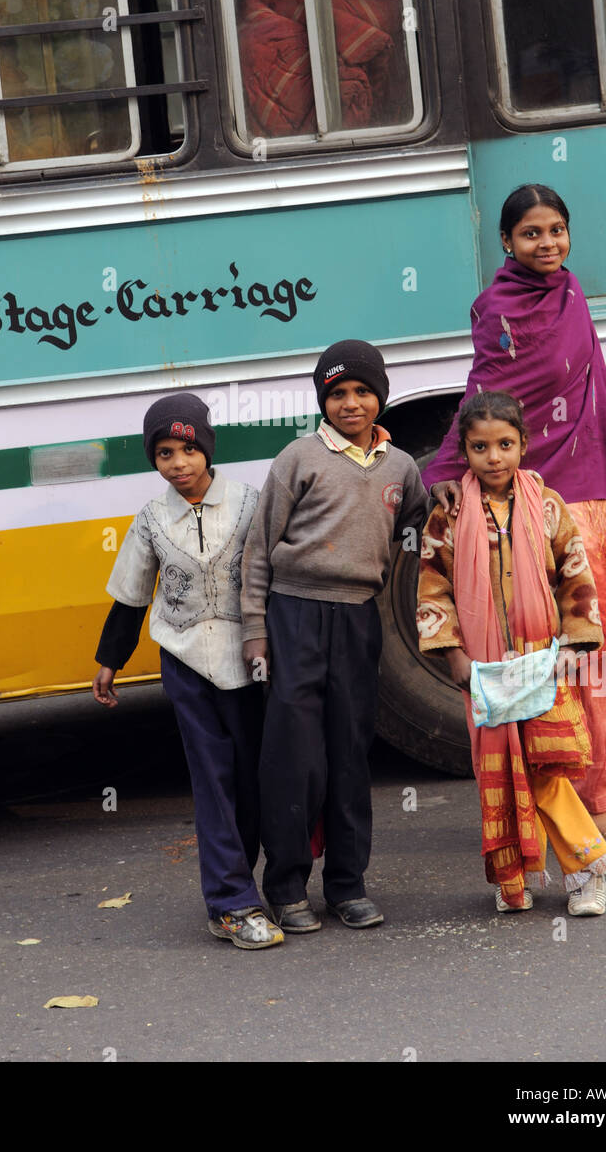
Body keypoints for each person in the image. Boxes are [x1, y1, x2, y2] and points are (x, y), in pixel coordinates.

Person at [423, 184, 606, 849]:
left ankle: (604, 786)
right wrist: (449, 470)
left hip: (584, 494)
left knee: (603, 653)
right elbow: (485, 396)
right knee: (569, 655)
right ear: (505, 242)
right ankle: (589, 800)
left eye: (556, 230)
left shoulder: (571, 292)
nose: (546, 243)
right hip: (537, 507)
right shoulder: (495, 309)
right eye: (531, 233)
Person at [241, 340, 430, 932]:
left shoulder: (401, 468)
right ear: (323, 400)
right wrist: (255, 630)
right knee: (295, 756)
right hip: (293, 614)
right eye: (338, 393)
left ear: (380, 398)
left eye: (362, 392)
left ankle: (347, 885)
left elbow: (416, 525)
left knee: (350, 751)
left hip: (356, 618)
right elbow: (257, 549)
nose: (351, 403)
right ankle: (287, 885)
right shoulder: (298, 458)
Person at [92, 393, 283, 951]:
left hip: (249, 663)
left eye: (188, 449)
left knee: (251, 781)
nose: (178, 463)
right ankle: (230, 902)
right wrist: (110, 661)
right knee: (212, 781)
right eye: (164, 453)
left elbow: (277, 579)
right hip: (184, 664)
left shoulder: (250, 504)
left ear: (207, 447)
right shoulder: (151, 519)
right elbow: (130, 597)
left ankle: (250, 886)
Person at [418, 390, 606, 916]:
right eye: (481, 447)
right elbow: (433, 586)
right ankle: (516, 880)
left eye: (505, 444)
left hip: (543, 662)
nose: (494, 457)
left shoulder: (547, 506)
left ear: (524, 445)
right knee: (500, 773)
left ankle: (587, 871)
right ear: (464, 451)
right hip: (486, 668)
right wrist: (454, 655)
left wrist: (576, 642)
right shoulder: (449, 513)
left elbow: (576, 574)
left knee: (545, 769)